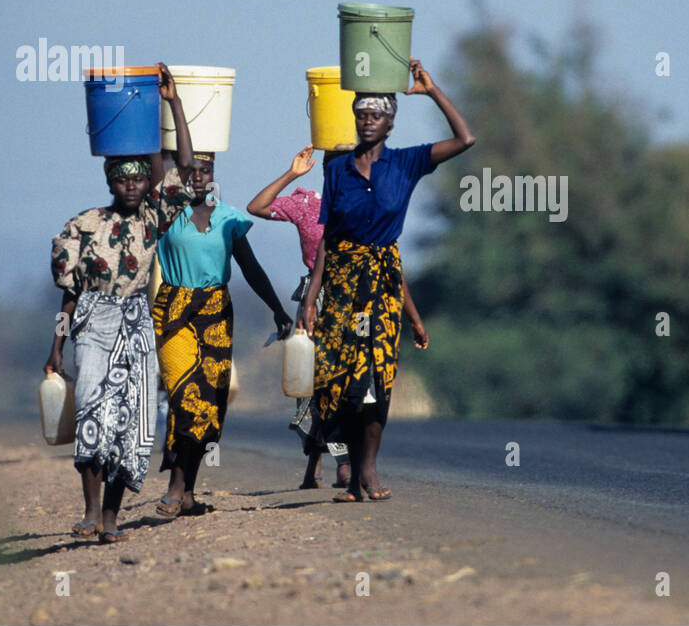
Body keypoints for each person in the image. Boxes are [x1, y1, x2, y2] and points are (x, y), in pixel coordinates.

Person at [301, 58, 474, 502]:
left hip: (381, 289)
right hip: (341, 288)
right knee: (339, 383)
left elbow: (465, 138)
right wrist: (310, 298)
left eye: (376, 115)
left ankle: (369, 471)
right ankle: (352, 474)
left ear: (391, 121)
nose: (367, 122)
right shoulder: (336, 168)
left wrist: (431, 90)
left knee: (378, 379)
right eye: (361, 115)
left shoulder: (407, 163)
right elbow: (328, 239)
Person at [46, 64, 193, 544]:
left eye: (138, 179)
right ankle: (91, 513)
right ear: (111, 181)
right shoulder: (84, 225)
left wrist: (169, 104)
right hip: (93, 321)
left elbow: (185, 169)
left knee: (133, 422)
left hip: (136, 322)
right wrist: (55, 348)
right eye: (122, 179)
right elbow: (69, 294)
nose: (132, 185)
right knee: (93, 412)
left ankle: (111, 520)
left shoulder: (153, 218)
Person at [248, 146, 430, 489]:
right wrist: (291, 174)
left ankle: (353, 465)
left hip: (365, 308)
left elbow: (392, 265)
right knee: (321, 389)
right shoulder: (308, 206)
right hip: (320, 308)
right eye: (336, 169)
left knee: (362, 386)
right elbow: (256, 207)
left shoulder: (373, 208)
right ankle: (335, 462)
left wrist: (413, 317)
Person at [152, 152, 292, 518]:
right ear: (179, 174)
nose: (199, 177)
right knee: (186, 397)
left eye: (206, 170)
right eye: (191, 171)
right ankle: (174, 488)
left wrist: (277, 309)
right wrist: (173, 103)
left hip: (215, 313)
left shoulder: (228, 218)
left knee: (211, 402)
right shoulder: (166, 213)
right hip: (173, 312)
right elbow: (159, 162)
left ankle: (188, 491)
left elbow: (251, 268)